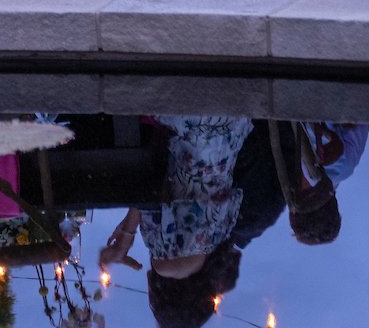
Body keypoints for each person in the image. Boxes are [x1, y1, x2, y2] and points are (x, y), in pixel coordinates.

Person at [99, 115, 256, 328]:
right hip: (193, 124)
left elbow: (167, 201)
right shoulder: (168, 265)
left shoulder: (214, 242)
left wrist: (128, 226)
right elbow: (148, 193)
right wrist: (126, 237)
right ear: (163, 301)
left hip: (228, 126)